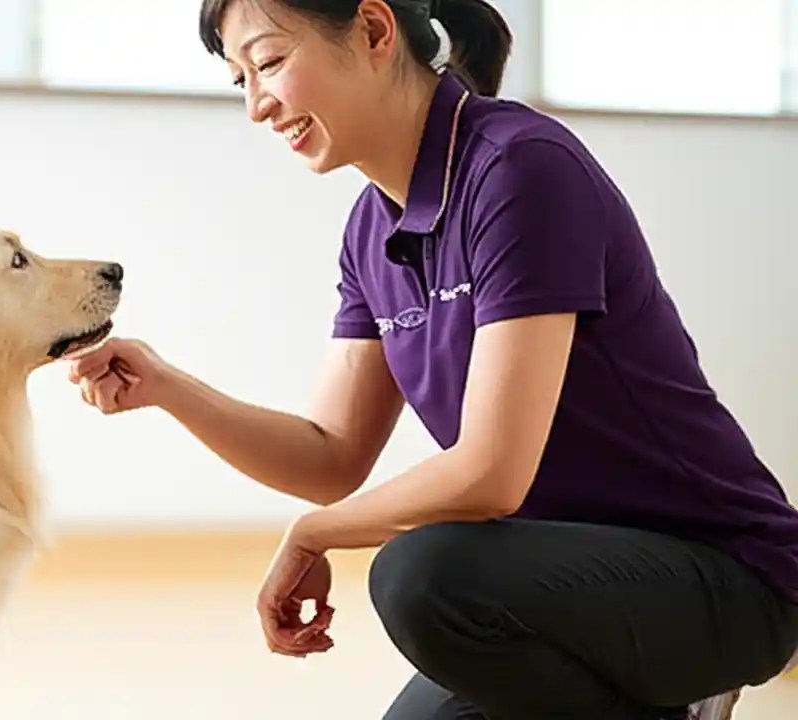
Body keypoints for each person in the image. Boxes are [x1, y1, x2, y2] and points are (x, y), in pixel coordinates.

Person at [67, 0, 798, 718]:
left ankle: (677, 693)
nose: (258, 105)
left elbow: (491, 472)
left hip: (718, 576)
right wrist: (167, 387)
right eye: (240, 81)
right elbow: (330, 458)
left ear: (376, 29)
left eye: (270, 62)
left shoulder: (520, 169)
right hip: (562, 582)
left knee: (424, 579)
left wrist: (313, 533)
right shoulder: (370, 227)